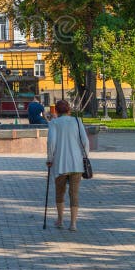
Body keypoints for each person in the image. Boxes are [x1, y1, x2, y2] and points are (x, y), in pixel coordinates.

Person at [46, 99, 89, 231]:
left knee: (60, 192)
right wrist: (85, 156)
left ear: (57, 111)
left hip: (60, 163)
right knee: (74, 193)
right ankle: (73, 224)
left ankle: (60, 220)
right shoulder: (77, 121)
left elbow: (51, 142)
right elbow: (85, 141)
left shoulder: (54, 123)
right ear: (69, 110)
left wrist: (50, 158)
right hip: (76, 163)